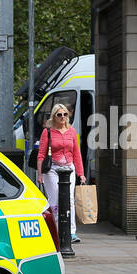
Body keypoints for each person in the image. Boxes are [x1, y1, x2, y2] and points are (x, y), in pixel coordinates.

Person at [35, 103, 86, 244]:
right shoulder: (48, 132)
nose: (63, 117)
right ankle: (56, 230)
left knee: (69, 199)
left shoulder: (72, 132)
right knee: (55, 200)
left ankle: (71, 232)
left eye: (65, 114)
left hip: (68, 168)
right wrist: (40, 174)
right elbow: (41, 154)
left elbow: (77, 154)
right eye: (59, 114)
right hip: (52, 169)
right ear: (54, 116)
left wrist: (81, 173)